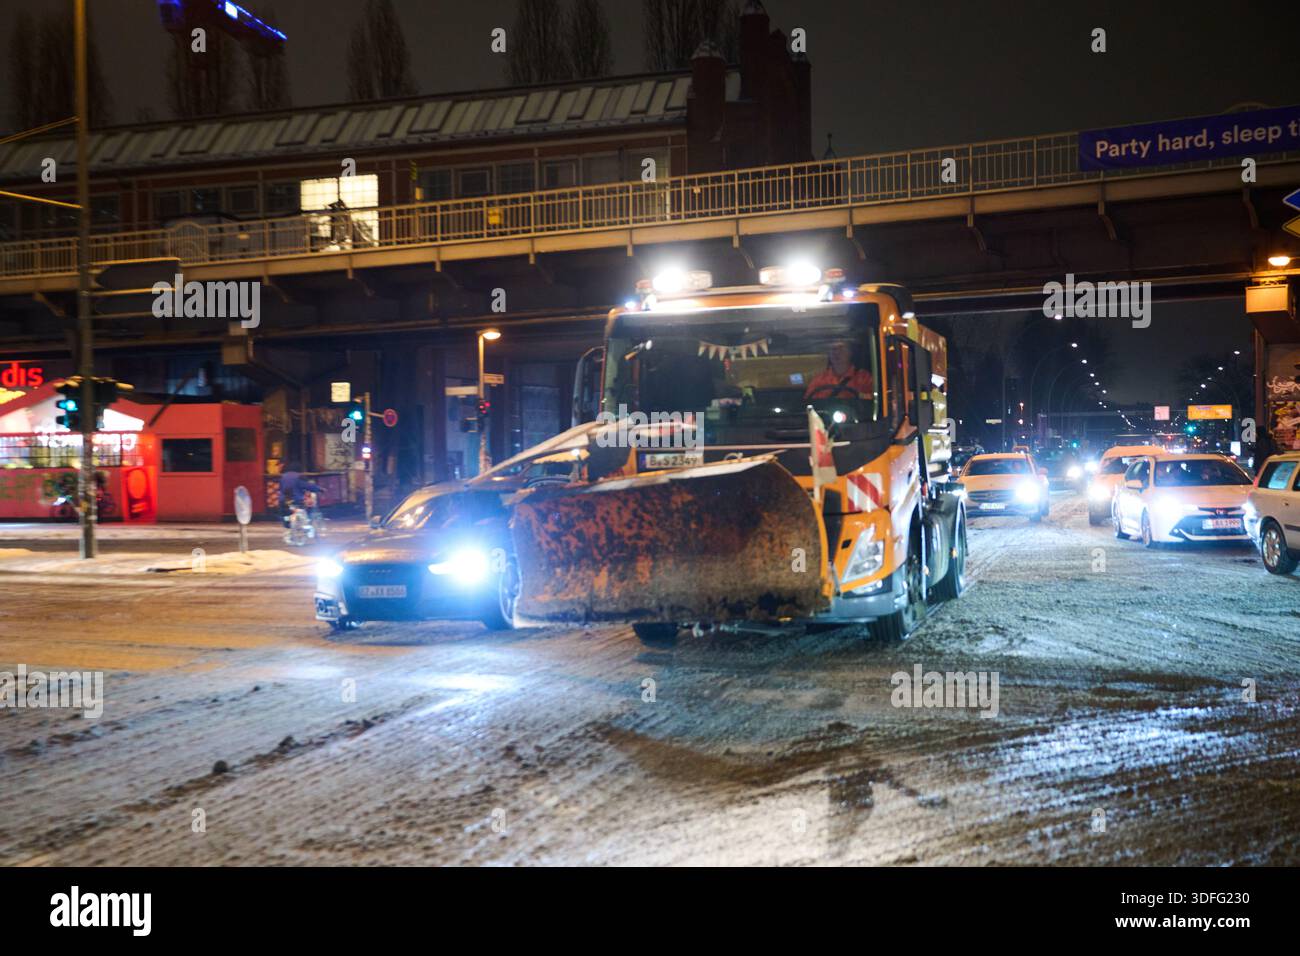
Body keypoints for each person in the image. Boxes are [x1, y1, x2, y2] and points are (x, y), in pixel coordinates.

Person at [805, 340, 874, 400]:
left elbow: (876, 399)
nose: (836, 352)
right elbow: (808, 403)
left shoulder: (865, 378)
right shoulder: (818, 380)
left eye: (841, 348)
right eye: (832, 349)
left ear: (851, 352)